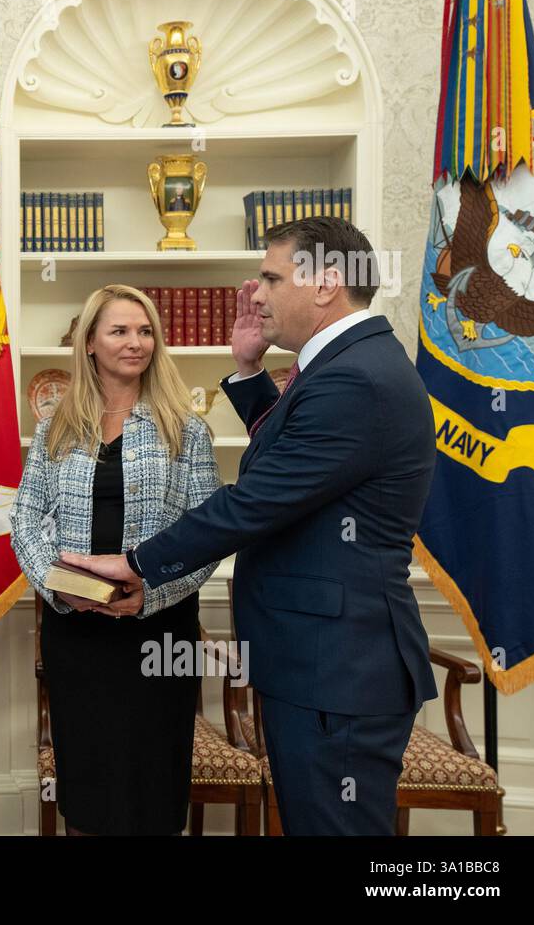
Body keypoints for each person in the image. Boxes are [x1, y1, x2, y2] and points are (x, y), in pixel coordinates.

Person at [64, 216, 437, 835]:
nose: (256, 292)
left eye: (270, 276)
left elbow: (258, 499)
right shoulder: (350, 364)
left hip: (335, 670)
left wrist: (136, 563)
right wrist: (246, 371)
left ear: (325, 284)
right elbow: (302, 461)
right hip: (322, 663)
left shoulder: (354, 377)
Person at [11, 285, 221, 835]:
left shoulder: (186, 428)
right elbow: (27, 520)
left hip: (159, 633)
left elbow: (207, 535)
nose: (136, 343)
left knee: (152, 789)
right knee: (87, 787)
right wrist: (57, 589)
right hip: (76, 632)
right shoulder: (55, 427)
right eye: (120, 331)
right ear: (90, 345)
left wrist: (150, 594)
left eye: (145, 330)